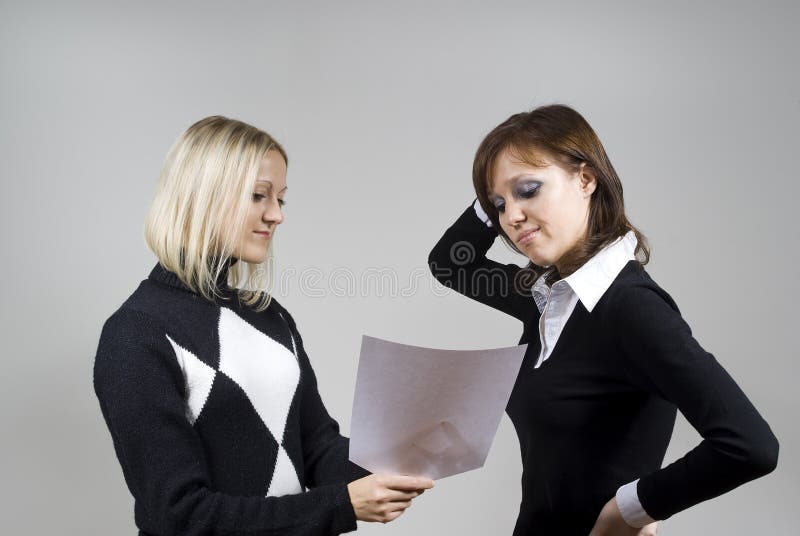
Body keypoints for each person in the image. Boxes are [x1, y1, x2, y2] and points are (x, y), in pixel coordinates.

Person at [428, 104, 778, 535]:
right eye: (499, 205)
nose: (510, 217)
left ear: (586, 178)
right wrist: (498, 179)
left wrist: (631, 510)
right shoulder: (545, 299)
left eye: (529, 189)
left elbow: (751, 445)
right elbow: (450, 263)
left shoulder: (631, 307)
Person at [94, 116, 433, 536]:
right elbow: (179, 515)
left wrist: (399, 458)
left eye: (281, 199)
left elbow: (317, 448)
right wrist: (341, 505)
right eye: (259, 196)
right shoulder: (136, 333)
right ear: (200, 196)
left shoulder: (270, 317)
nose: (276, 215)